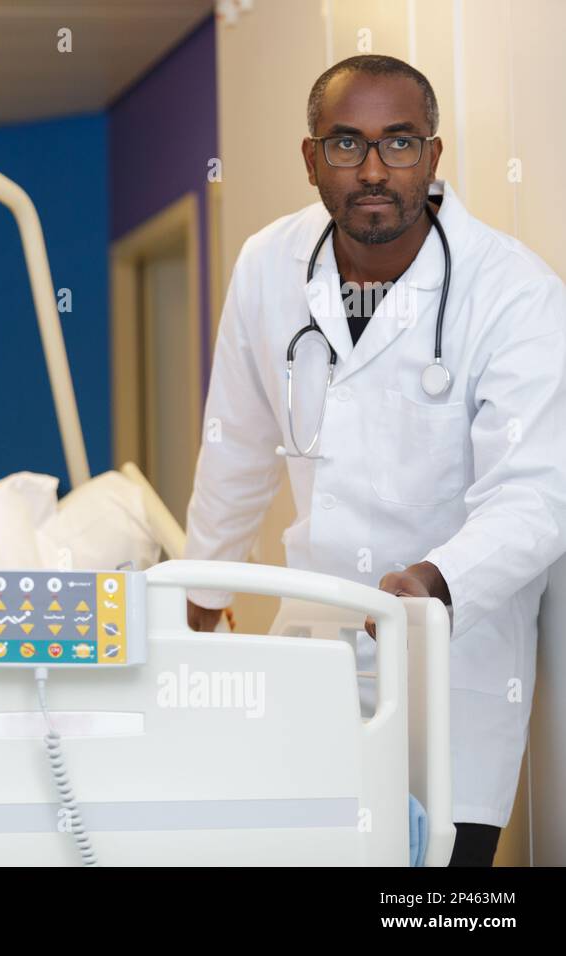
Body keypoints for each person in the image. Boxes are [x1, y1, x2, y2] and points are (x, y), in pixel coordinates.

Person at [184, 55, 566, 866]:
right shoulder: (267, 264)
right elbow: (236, 447)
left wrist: (435, 579)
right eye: (345, 143)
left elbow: (539, 496)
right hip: (312, 650)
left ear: (432, 156)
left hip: (452, 665)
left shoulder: (514, 294)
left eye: (398, 144)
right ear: (310, 158)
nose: (371, 171)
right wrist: (200, 600)